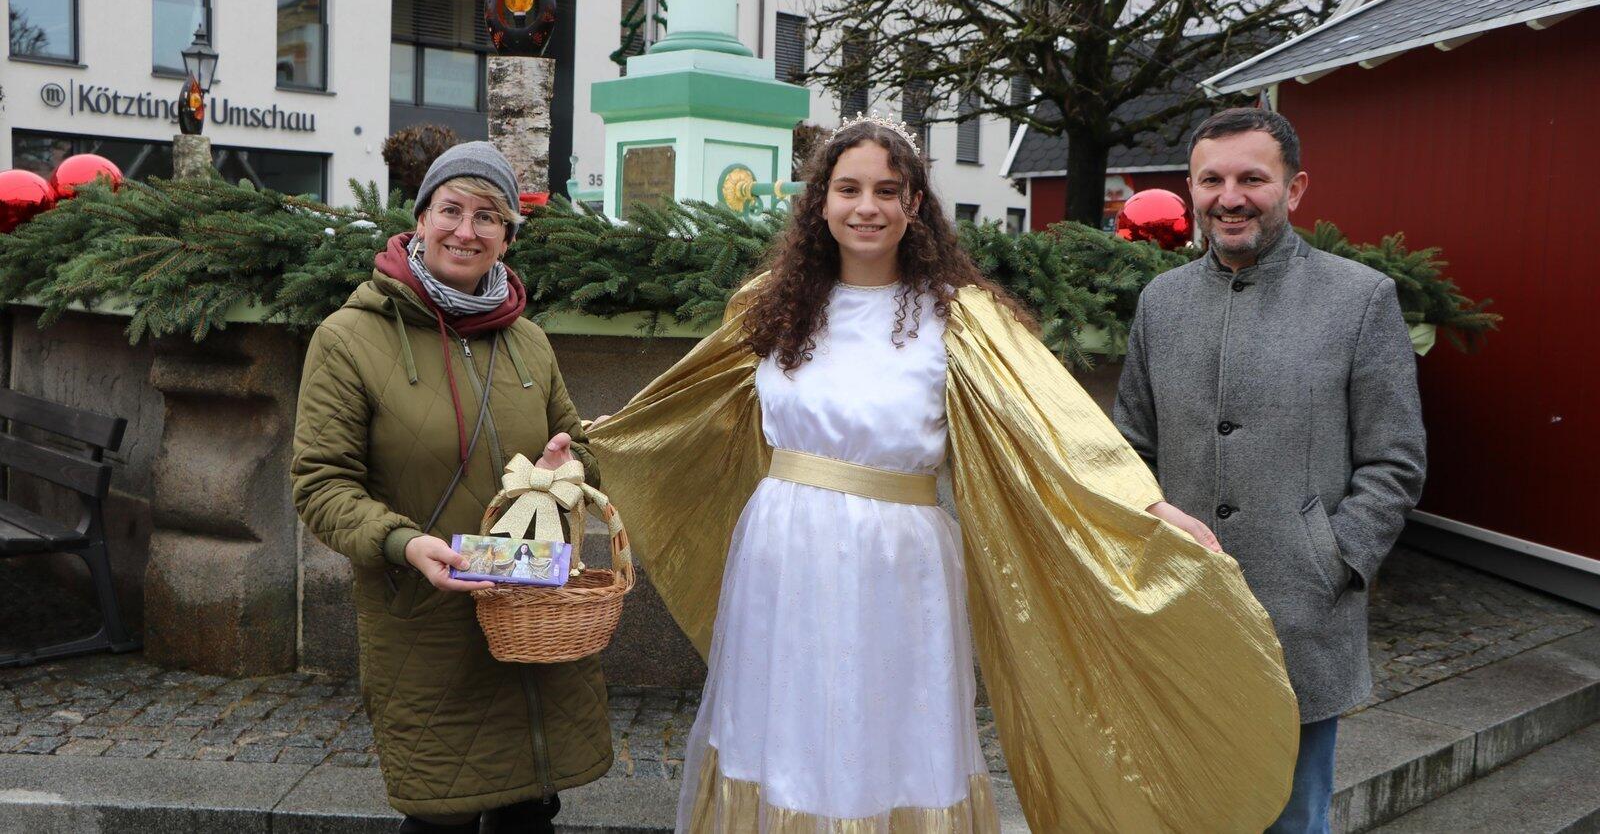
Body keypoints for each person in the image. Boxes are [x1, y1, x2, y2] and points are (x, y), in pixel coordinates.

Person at [588, 116, 1301, 832]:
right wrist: (592, 444)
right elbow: (686, 403)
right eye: (848, 189)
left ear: (915, 205)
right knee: (784, 732)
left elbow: (1056, 429)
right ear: (821, 202)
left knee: (891, 737)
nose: (867, 207)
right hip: (783, 553)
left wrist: (1146, 506)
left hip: (898, 562)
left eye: (887, 190)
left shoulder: (962, 319)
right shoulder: (772, 307)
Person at [1114, 107, 1427, 834]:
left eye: (1252, 179)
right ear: (1192, 190)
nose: (1230, 198)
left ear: (1295, 187)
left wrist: (1335, 560)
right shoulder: (1161, 302)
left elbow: (1395, 459)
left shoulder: (1359, 299)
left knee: (1291, 819)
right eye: (1211, 180)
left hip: (1301, 614)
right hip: (1181, 612)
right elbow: (1131, 448)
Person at [291, 142, 611, 834]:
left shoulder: (528, 342)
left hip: (528, 616)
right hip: (425, 622)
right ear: (421, 218)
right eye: (451, 210)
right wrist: (404, 544)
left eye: (487, 216)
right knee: (442, 816)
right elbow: (321, 484)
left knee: (529, 809)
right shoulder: (349, 338)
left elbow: (579, 449)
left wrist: (563, 468)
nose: (466, 230)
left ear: (507, 237)